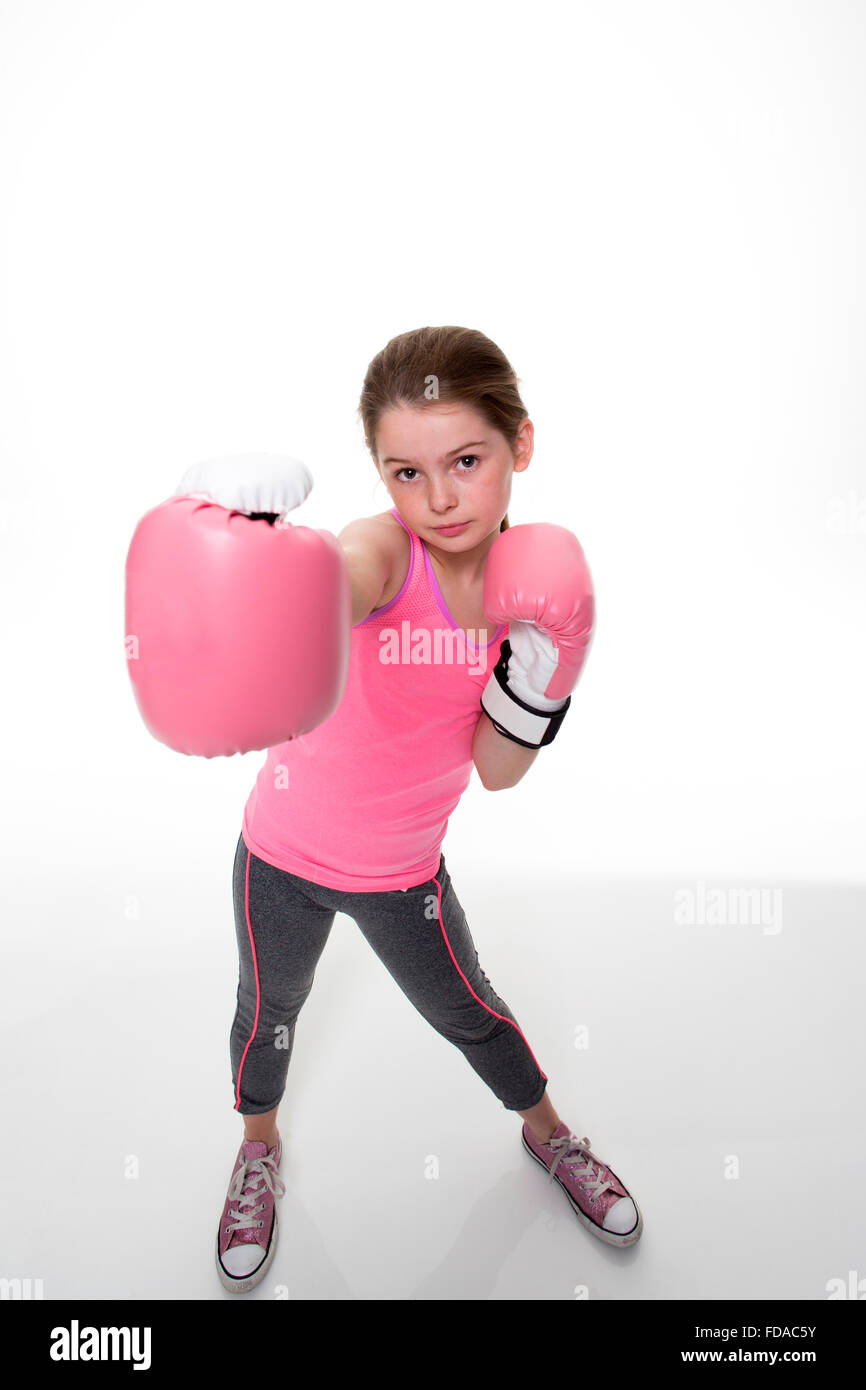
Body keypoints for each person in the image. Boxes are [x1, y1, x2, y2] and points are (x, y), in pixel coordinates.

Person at [216, 325, 643, 1293]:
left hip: (400, 874)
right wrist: (267, 567)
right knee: (267, 1012)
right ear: (379, 474)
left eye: (464, 461)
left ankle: (551, 1138)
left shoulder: (523, 598)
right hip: (277, 856)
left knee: (474, 1014)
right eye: (405, 472)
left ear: (518, 446)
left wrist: (537, 681)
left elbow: (494, 771)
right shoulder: (379, 552)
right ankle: (256, 1151)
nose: (437, 497)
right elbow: (341, 575)